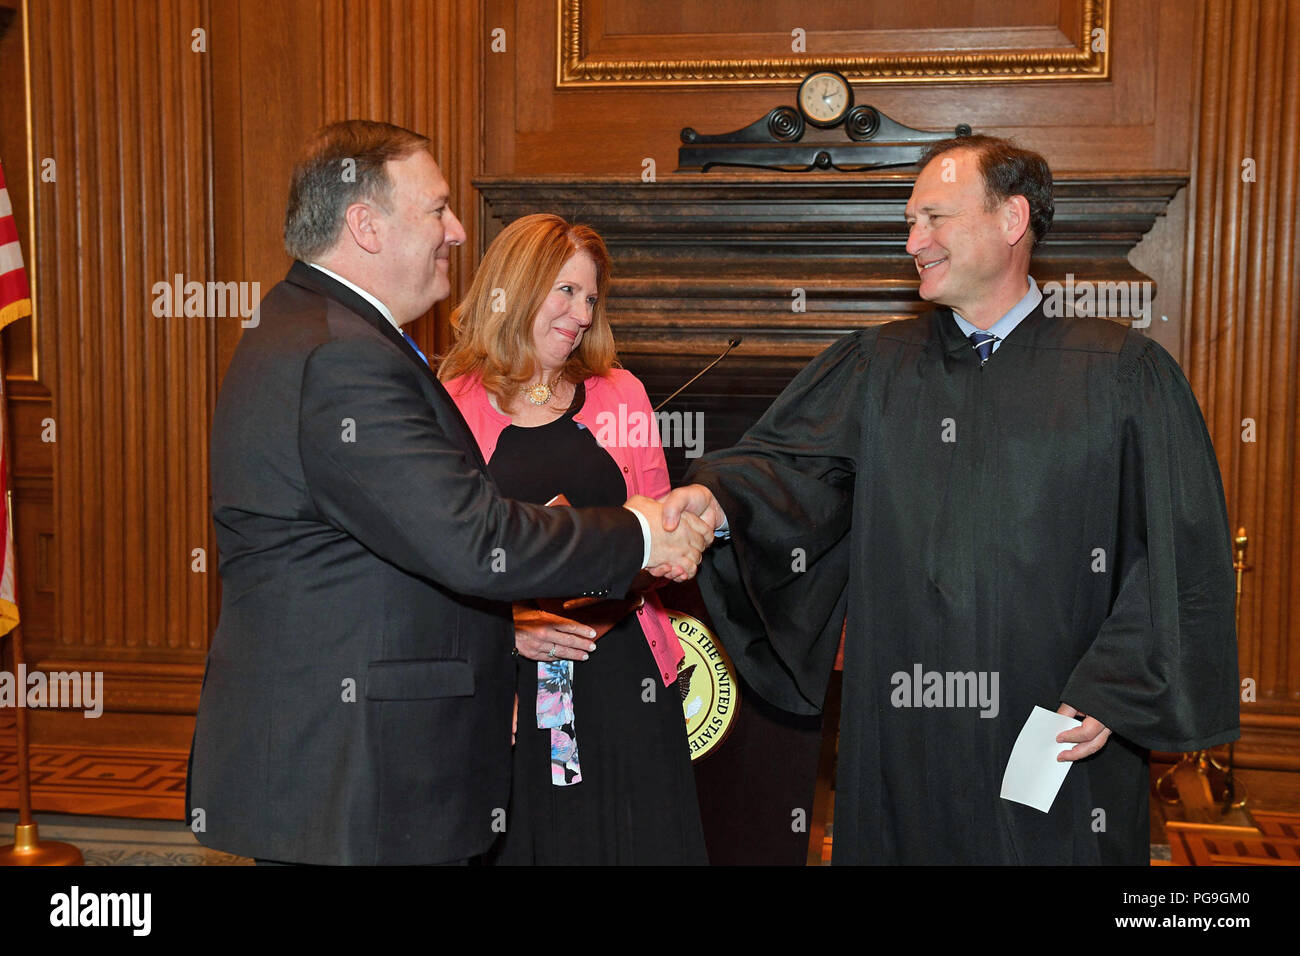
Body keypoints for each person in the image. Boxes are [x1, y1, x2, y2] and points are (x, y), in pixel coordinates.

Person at [662, 135, 1240, 865]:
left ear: (1011, 220)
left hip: (1054, 722)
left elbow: (1178, 548)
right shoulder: (877, 365)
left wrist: (1117, 686)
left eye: (934, 218)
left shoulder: (1120, 374)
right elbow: (789, 469)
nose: (914, 241)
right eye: (910, 222)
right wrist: (715, 502)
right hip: (905, 727)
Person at [186, 121, 709, 866]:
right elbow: (474, 541)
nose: (458, 231)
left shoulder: (302, 326)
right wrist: (643, 532)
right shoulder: (343, 357)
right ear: (364, 224)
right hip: (356, 768)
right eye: (436, 209)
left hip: (338, 761)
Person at [440, 214, 708, 864]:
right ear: (517, 288)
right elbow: (430, 565)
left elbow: (662, 539)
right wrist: (505, 629)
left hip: (621, 673)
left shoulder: (622, 393)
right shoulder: (450, 403)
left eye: (590, 297)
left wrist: (674, 534)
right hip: (510, 682)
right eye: (565, 291)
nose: (581, 313)